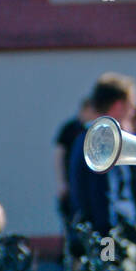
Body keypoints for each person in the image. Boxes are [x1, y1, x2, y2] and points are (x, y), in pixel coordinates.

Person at [68, 75, 136, 235]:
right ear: (118, 106)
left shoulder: (88, 136)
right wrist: (110, 245)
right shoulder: (102, 141)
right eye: (131, 105)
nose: (134, 111)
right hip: (109, 235)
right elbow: (104, 194)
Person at [54, 98, 94, 229]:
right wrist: (61, 182)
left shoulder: (93, 130)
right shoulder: (70, 129)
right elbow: (59, 155)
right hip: (71, 183)